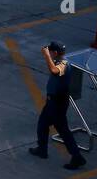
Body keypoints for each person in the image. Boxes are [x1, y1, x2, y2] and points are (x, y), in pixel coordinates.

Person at [30, 40, 87, 170]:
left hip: (58, 103)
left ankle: (77, 157)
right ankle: (42, 149)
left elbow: (54, 71)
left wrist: (46, 56)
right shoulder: (59, 61)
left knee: (63, 130)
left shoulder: (63, 64)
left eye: (50, 51)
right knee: (43, 124)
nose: (48, 52)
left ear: (55, 53)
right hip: (52, 102)